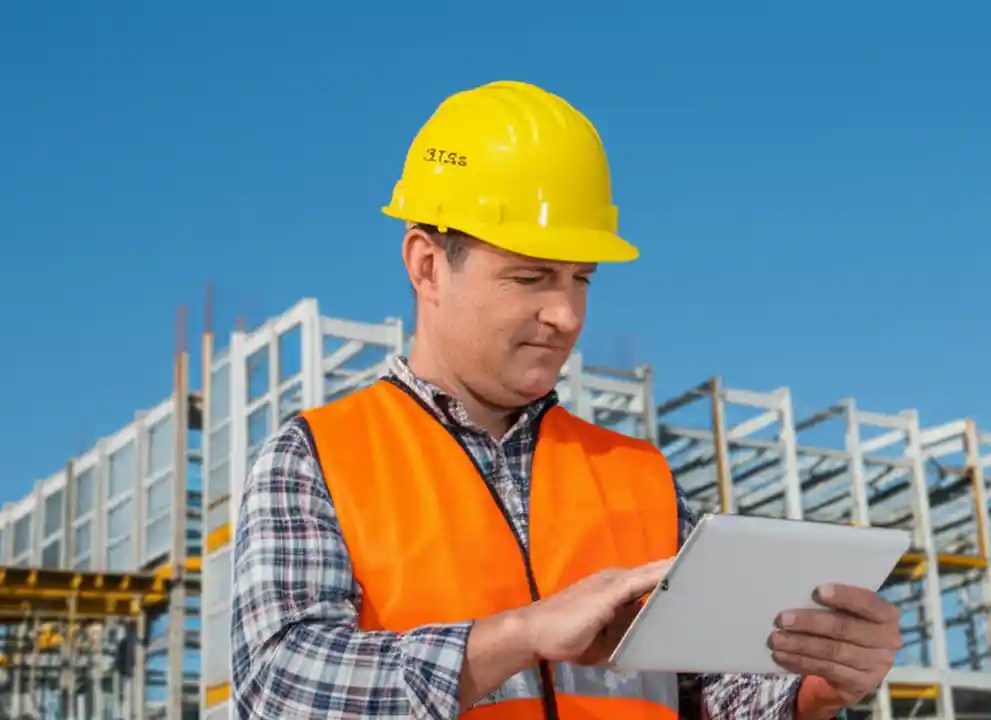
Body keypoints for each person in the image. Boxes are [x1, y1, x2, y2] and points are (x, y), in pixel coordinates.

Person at [229, 80, 902, 720]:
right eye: (530, 277)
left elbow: (709, 695)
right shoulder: (319, 458)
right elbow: (280, 690)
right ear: (427, 265)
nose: (566, 315)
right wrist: (522, 634)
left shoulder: (640, 476)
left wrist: (810, 690)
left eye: (581, 278)